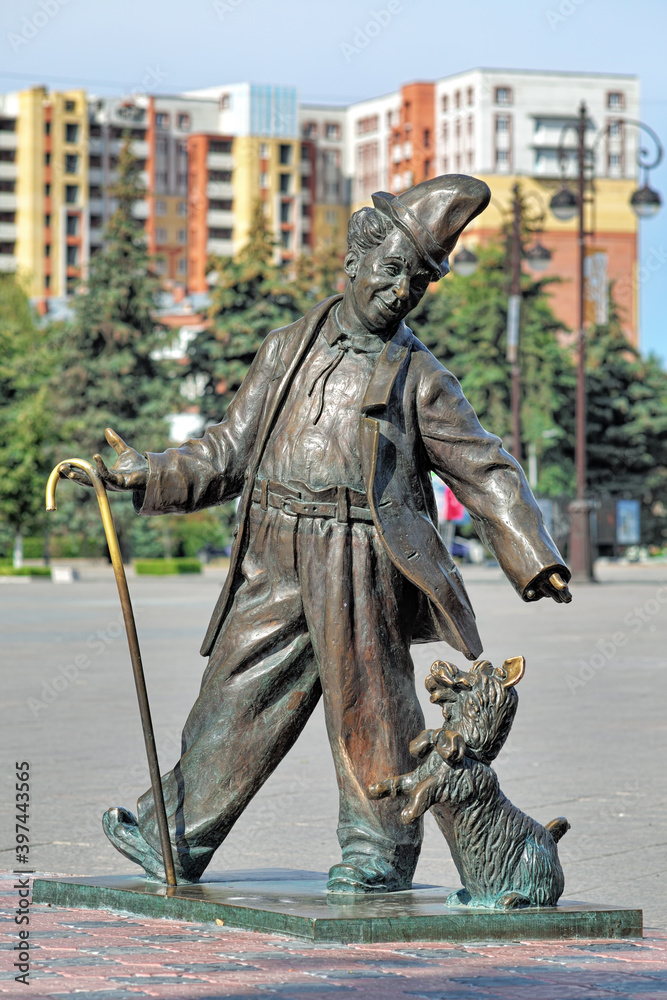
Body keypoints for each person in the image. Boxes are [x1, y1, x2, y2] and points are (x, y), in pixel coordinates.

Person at [63, 174, 571, 894]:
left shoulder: (418, 376)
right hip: (274, 544)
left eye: (416, 284)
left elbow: (483, 466)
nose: (399, 292)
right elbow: (225, 452)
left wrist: (532, 554)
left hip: (357, 553)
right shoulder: (285, 350)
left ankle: (378, 851)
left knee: (371, 706)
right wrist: (144, 471)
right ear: (355, 263)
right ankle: (172, 835)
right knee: (235, 692)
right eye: (391, 271)